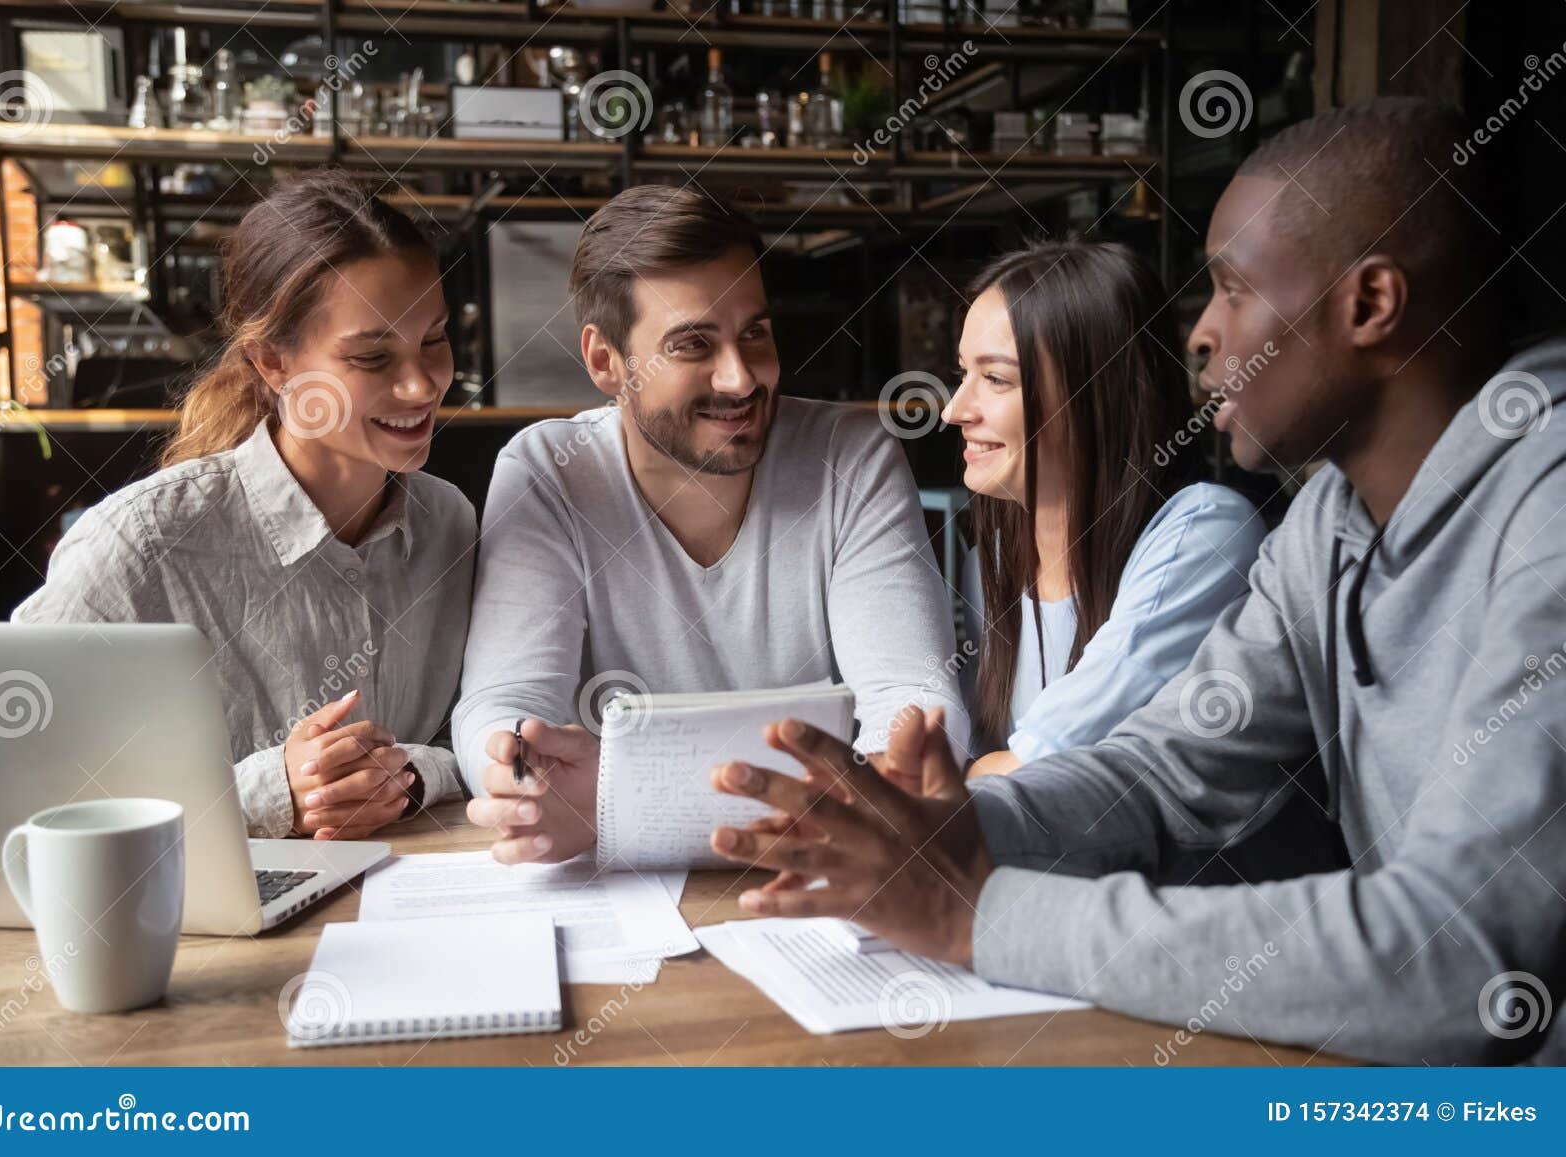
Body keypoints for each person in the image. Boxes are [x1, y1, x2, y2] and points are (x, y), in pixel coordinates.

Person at [705, 97, 1565, 1065]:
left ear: (1368, 304)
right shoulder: (1326, 520)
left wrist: (978, 912)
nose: (1198, 333)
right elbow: (1166, 769)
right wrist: (949, 828)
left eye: (1231, 290)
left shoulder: (1549, 507)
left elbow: (1449, 954)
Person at [456, 185, 967, 865]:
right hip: (642, 896)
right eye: (693, 343)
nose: (741, 377)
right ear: (607, 362)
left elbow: (918, 705)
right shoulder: (550, 469)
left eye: (754, 332)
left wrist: (617, 802)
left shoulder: (853, 454)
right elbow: (505, 708)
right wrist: (523, 779)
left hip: (819, 877)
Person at [15, 170, 475, 842]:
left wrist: (406, 776)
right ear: (272, 363)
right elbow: (20, 782)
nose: (421, 383)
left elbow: (482, 728)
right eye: (373, 357)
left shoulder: (452, 523)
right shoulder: (141, 544)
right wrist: (273, 793)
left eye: (433, 340)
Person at [945, 242, 1265, 775]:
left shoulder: (1204, 532)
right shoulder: (992, 562)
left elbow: (1048, 762)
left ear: (1099, 395)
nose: (955, 410)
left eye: (996, 379)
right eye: (963, 373)